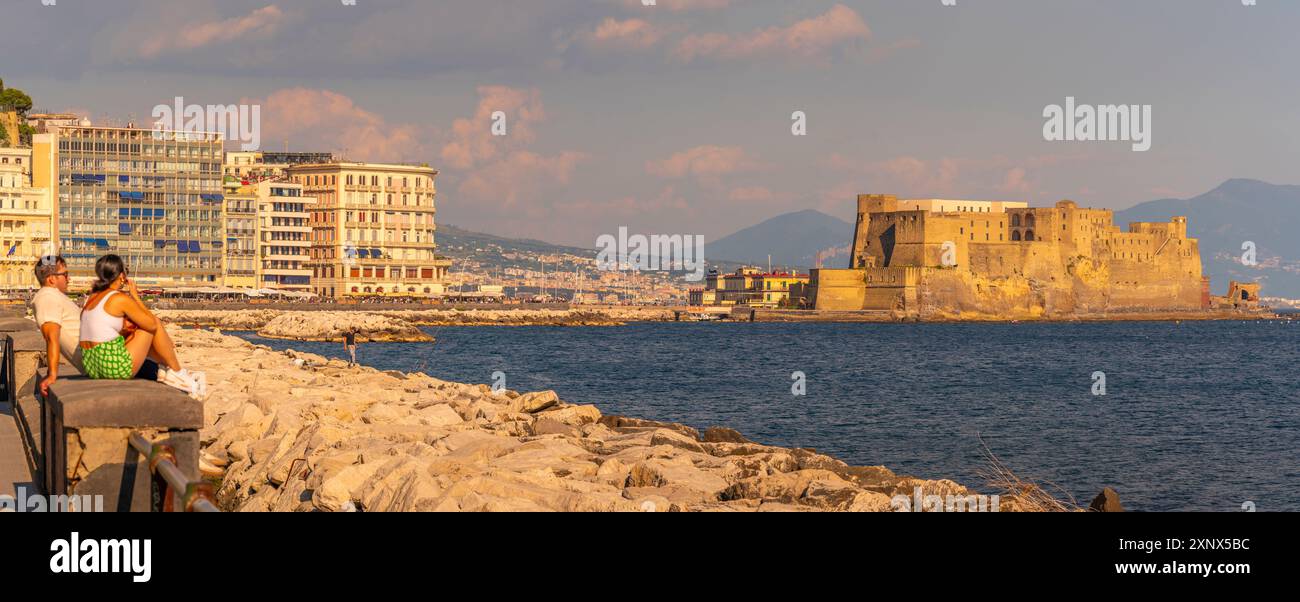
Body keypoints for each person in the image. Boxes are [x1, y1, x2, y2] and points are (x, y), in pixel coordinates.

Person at [77, 254, 194, 388]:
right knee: (150, 325)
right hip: (113, 368)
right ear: (121, 276)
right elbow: (152, 324)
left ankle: (165, 369)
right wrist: (135, 296)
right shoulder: (118, 298)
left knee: (134, 330)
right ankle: (178, 372)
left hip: (92, 367)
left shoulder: (91, 298)